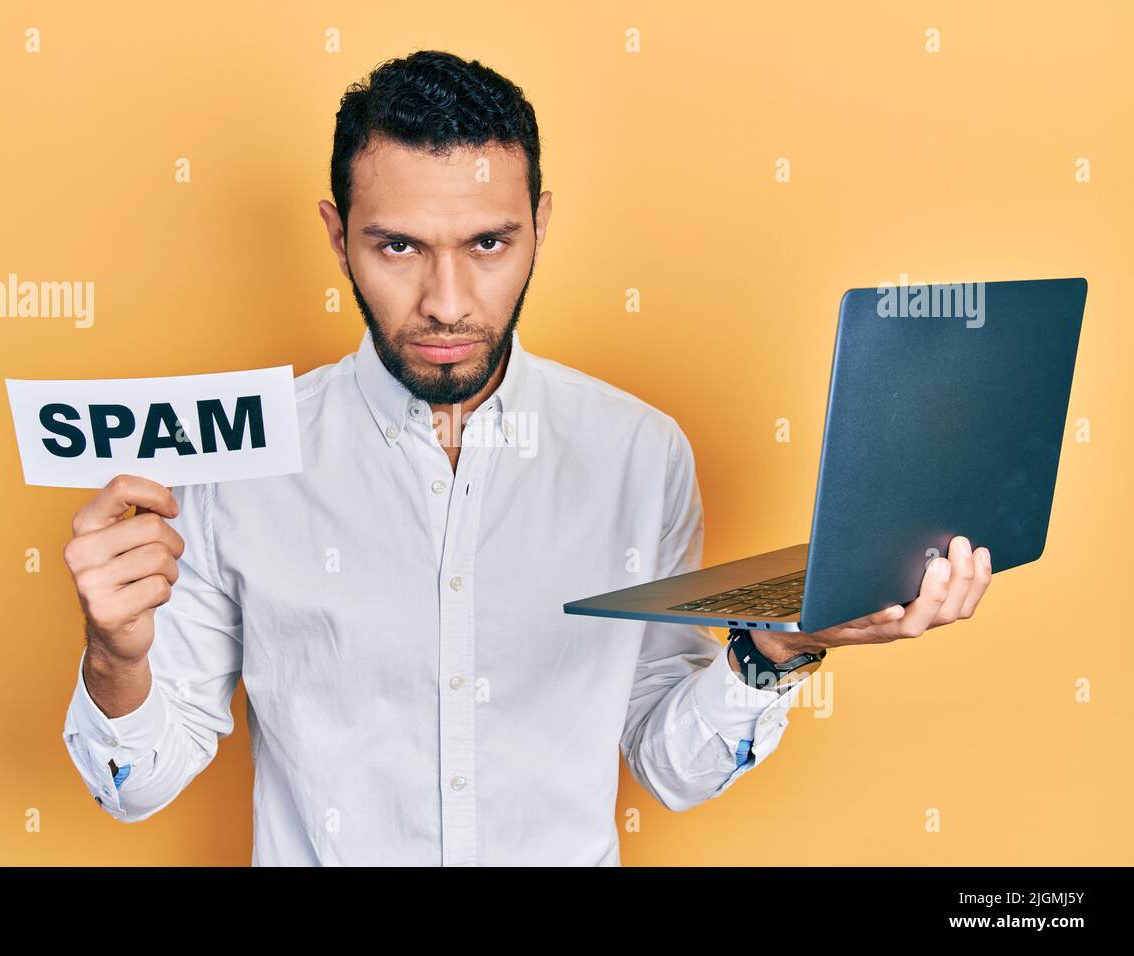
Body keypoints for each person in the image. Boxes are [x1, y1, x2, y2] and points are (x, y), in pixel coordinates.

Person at [60, 50, 992, 865]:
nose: (447, 302)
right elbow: (132, 784)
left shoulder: (638, 452)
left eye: (488, 243)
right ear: (338, 235)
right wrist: (114, 655)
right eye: (397, 246)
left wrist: (779, 650)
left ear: (540, 225)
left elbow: (667, 766)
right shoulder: (237, 460)